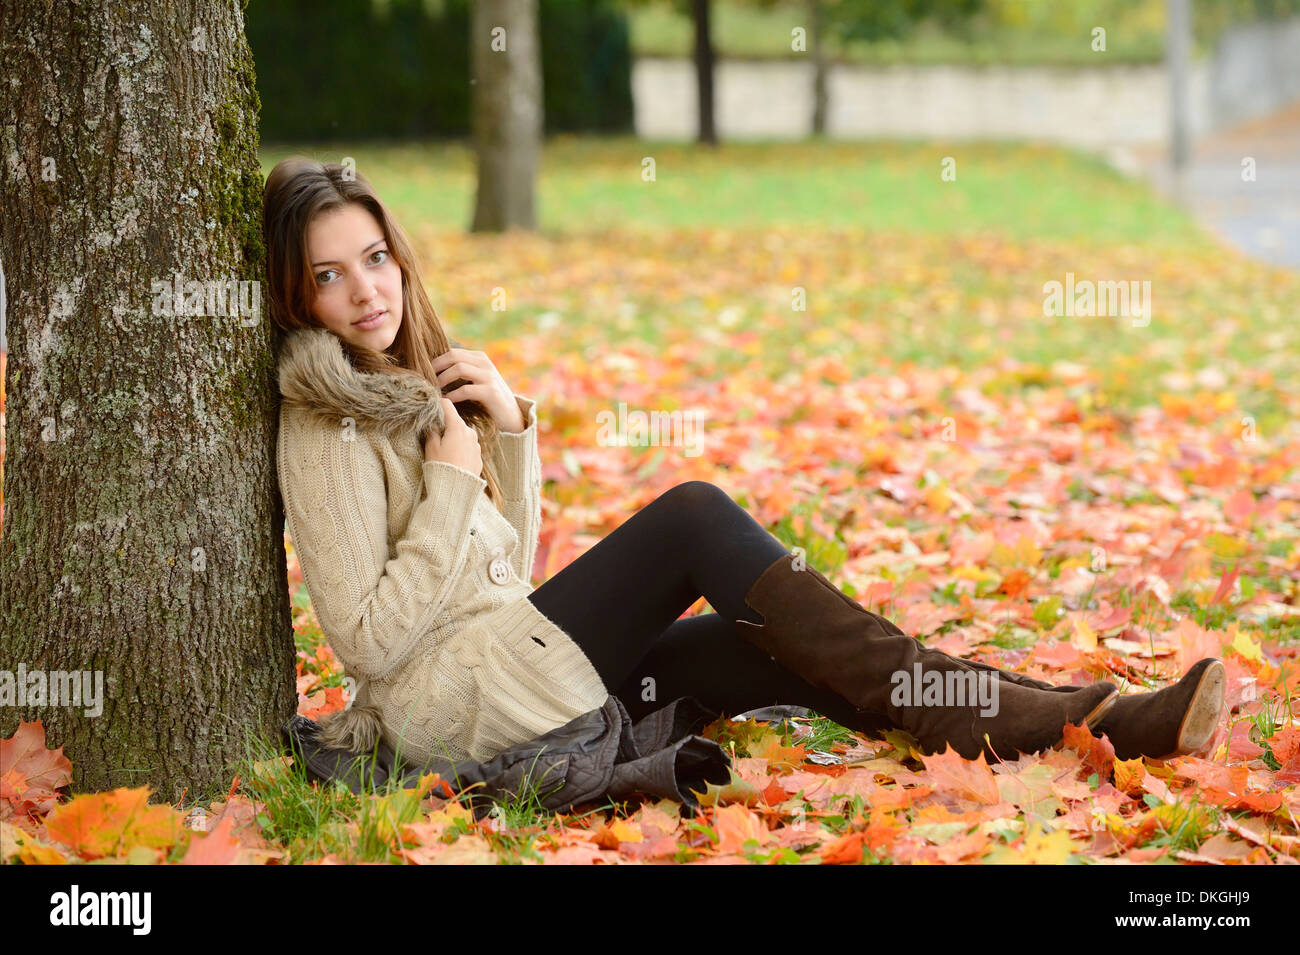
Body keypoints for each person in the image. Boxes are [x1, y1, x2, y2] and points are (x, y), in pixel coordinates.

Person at [263, 157, 1226, 770]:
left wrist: (507, 431)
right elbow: (369, 642)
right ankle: (1087, 718)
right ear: (298, 297)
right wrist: (448, 484)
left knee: (784, 651)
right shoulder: (321, 426)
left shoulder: (414, 393)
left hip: (506, 666)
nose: (366, 290)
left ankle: (1095, 725)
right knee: (690, 515)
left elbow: (500, 571)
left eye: (377, 257)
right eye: (329, 273)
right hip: (454, 708)